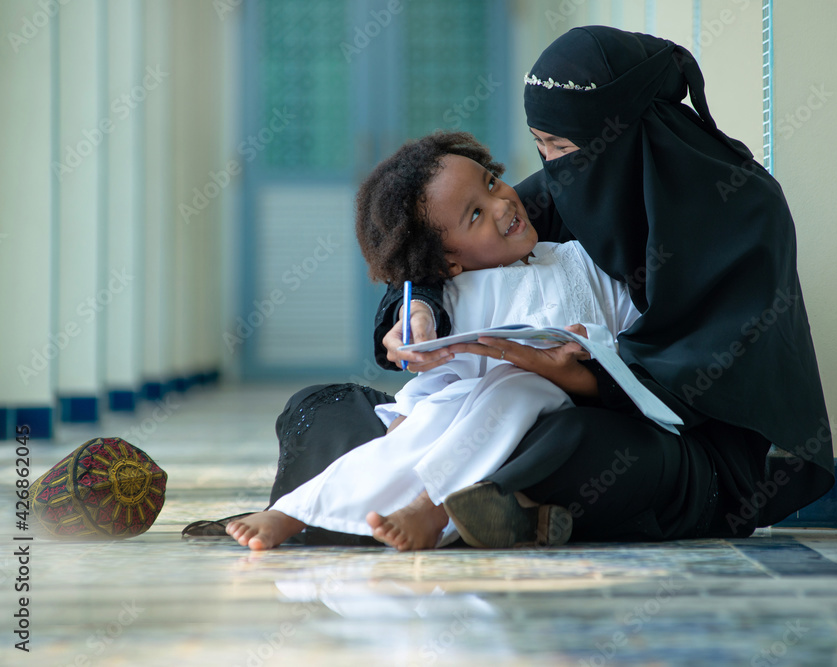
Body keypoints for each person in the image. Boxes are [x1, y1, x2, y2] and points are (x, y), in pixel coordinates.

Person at [257, 25, 834, 548]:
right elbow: (435, 254)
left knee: (578, 441)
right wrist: (418, 315)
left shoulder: (741, 214)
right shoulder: (562, 188)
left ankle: (470, 503)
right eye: (541, 146)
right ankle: (505, 507)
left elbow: (700, 384)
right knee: (320, 408)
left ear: (631, 133)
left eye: (562, 147)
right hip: (500, 413)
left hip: (685, 452)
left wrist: (566, 370)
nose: (549, 170)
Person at [227, 132, 654, 551]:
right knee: (424, 424)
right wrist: (410, 391)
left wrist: (592, 344)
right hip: (463, 414)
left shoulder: (581, 258)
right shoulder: (450, 294)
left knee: (517, 384)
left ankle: (430, 507)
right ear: (449, 261)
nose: (502, 203)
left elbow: (637, 334)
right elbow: (438, 378)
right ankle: (297, 511)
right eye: (475, 215)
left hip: (560, 412)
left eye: (491, 182)